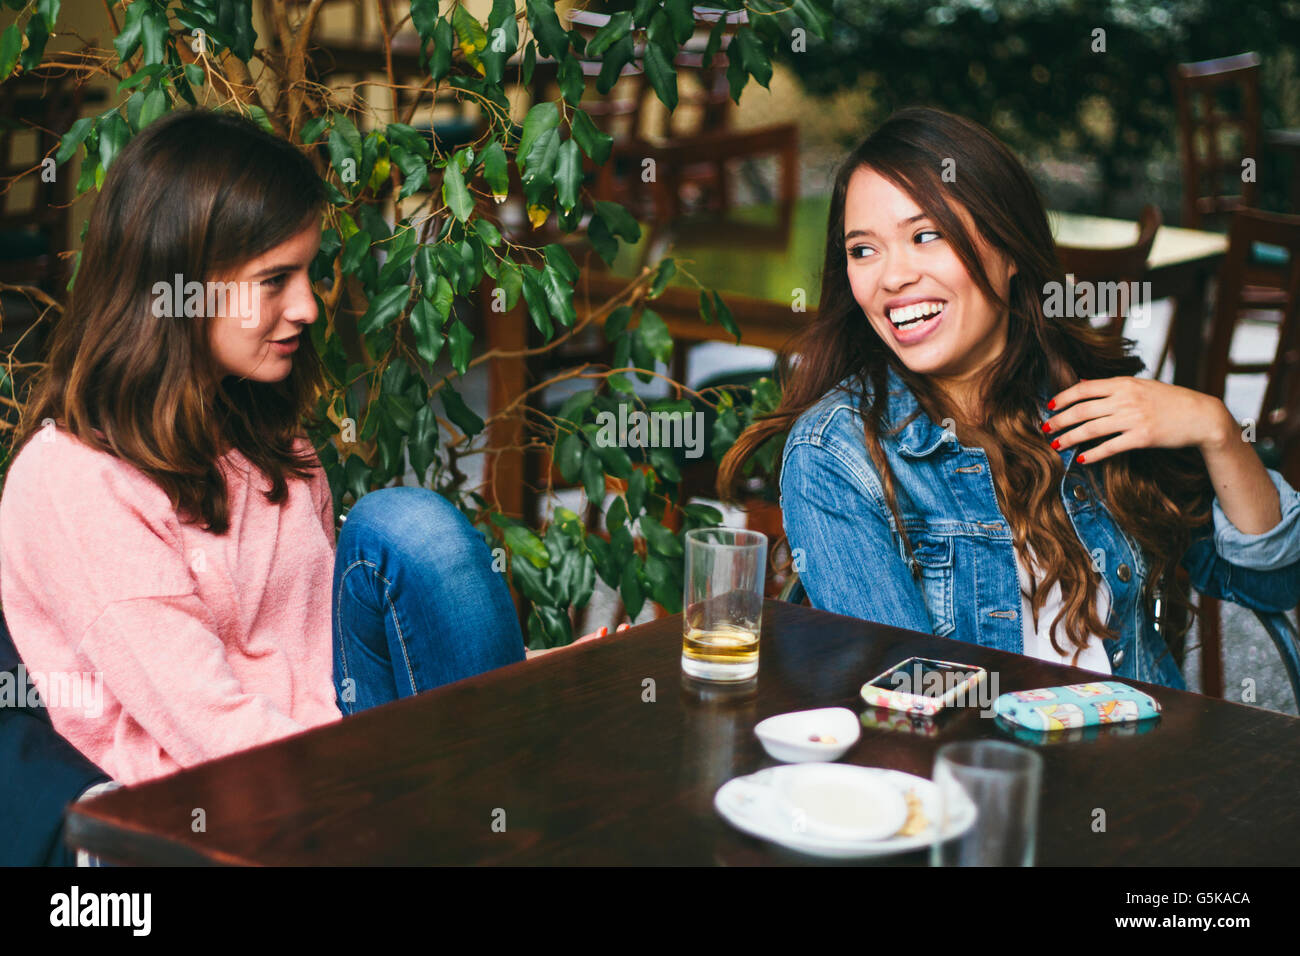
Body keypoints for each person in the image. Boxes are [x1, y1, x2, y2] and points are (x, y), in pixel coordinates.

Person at [0, 108, 607, 865]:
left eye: (309, 273)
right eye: (273, 281)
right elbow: (211, 732)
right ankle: (497, 786)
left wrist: (487, 684)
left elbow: (321, 651)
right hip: (206, 802)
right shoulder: (73, 484)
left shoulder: (262, 431)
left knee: (406, 526)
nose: (308, 309)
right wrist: (418, 763)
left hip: (339, 744)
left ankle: (500, 767)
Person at [719, 107, 1300, 690]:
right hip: (986, 773)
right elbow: (906, 693)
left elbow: (1273, 585)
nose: (891, 277)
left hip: (1144, 765)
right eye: (862, 250)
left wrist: (1217, 428)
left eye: (926, 236)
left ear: (1010, 246)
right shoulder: (838, 453)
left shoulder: (1086, 405)